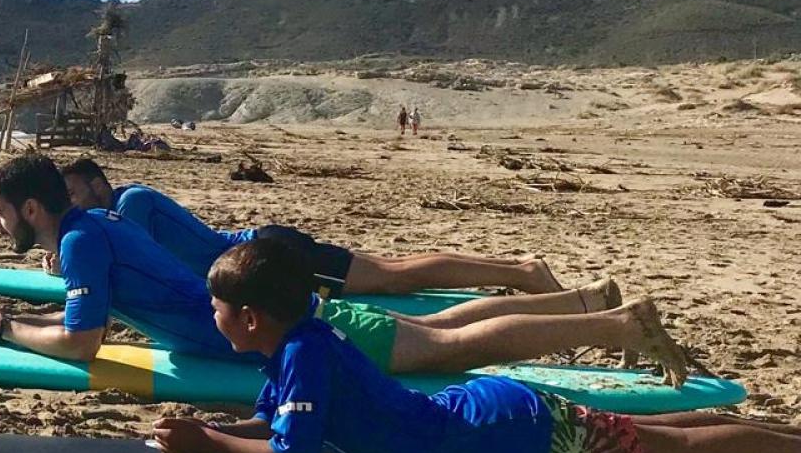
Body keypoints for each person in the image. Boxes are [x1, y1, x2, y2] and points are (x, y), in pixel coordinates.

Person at [0, 155, 692, 384]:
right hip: (269, 317)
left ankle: (617, 326)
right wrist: (23, 321)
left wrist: (7, 333)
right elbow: (79, 321)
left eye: (1, 213)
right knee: (435, 324)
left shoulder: (82, 240)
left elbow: (82, 343)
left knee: (451, 346)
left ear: (34, 207)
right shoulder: (93, 225)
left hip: (276, 330)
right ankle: (594, 309)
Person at [150, 237, 800, 453]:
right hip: (491, 415)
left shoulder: (300, 354)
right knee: (658, 435)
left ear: (251, 318)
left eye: (217, 309)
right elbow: (274, 424)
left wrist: (209, 443)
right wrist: (210, 433)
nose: (213, 318)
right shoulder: (295, 347)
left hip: (507, 436)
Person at [60, 158, 562, 296]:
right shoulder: (118, 207)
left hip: (267, 253)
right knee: (393, 272)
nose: (74, 208)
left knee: (395, 274)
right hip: (260, 251)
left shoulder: (131, 201)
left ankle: (522, 271)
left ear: (99, 185)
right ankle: (519, 271)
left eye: (76, 195)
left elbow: (122, 247)